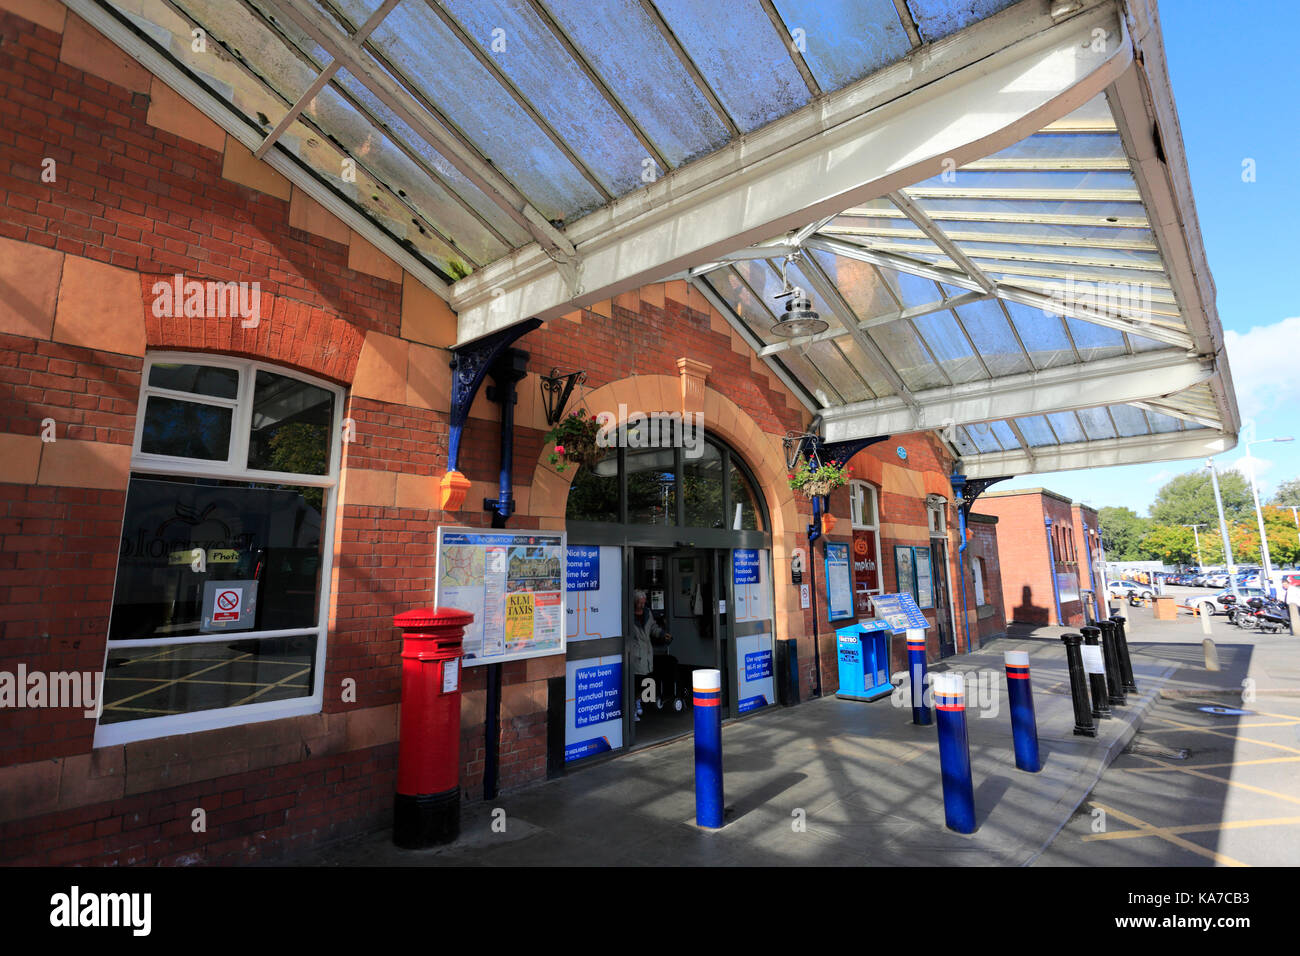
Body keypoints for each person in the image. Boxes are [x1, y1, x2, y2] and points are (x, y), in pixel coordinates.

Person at [630, 589, 671, 721]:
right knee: (635, 682)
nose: (642, 605)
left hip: (646, 653)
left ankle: (637, 702)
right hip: (635, 654)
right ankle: (633, 708)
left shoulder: (647, 613)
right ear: (634, 602)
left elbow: (653, 628)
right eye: (640, 603)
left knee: (645, 681)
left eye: (643, 602)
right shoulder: (628, 615)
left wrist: (662, 634)